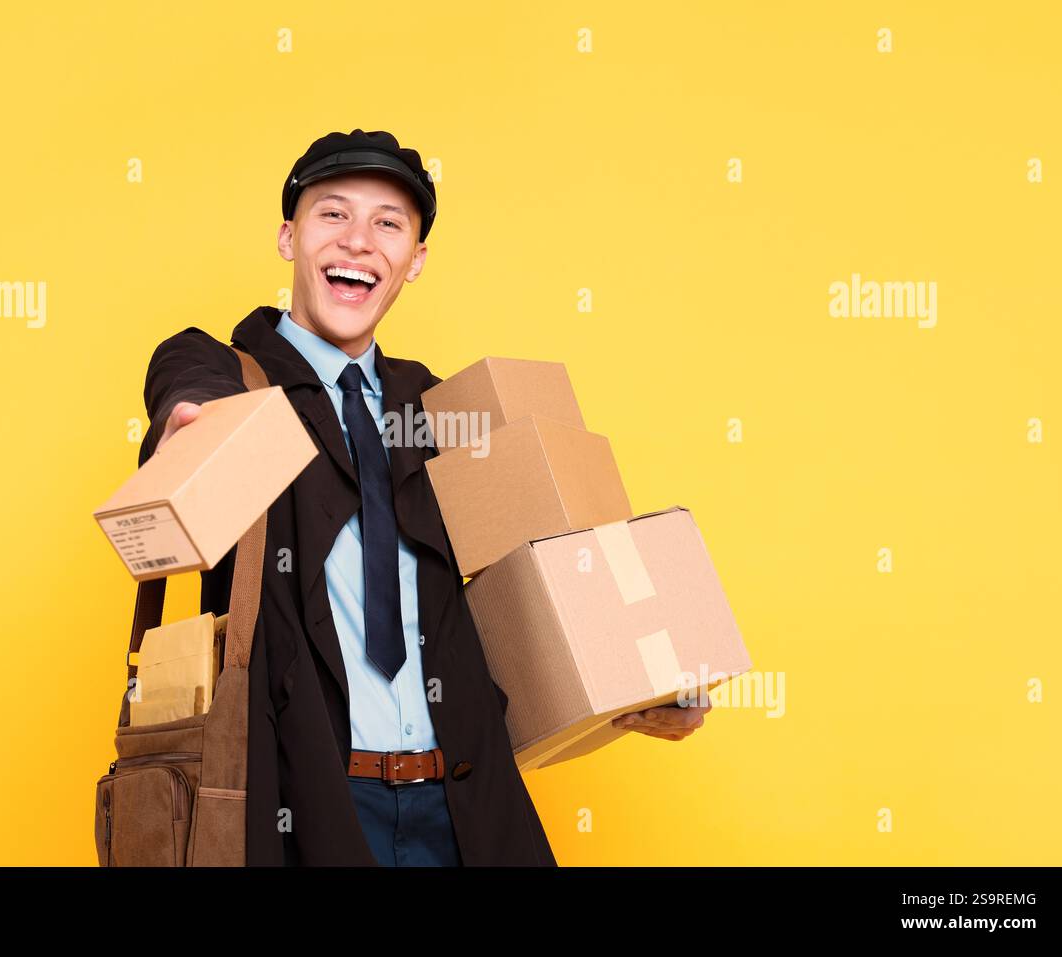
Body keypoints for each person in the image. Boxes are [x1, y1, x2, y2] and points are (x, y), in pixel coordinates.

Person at [138, 128, 710, 866]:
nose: (358, 242)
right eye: (332, 215)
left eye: (388, 224)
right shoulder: (229, 371)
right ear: (288, 237)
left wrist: (632, 686)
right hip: (308, 801)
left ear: (416, 259)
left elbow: (531, 579)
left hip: (462, 804)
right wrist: (189, 425)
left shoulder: (437, 408)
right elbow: (184, 387)